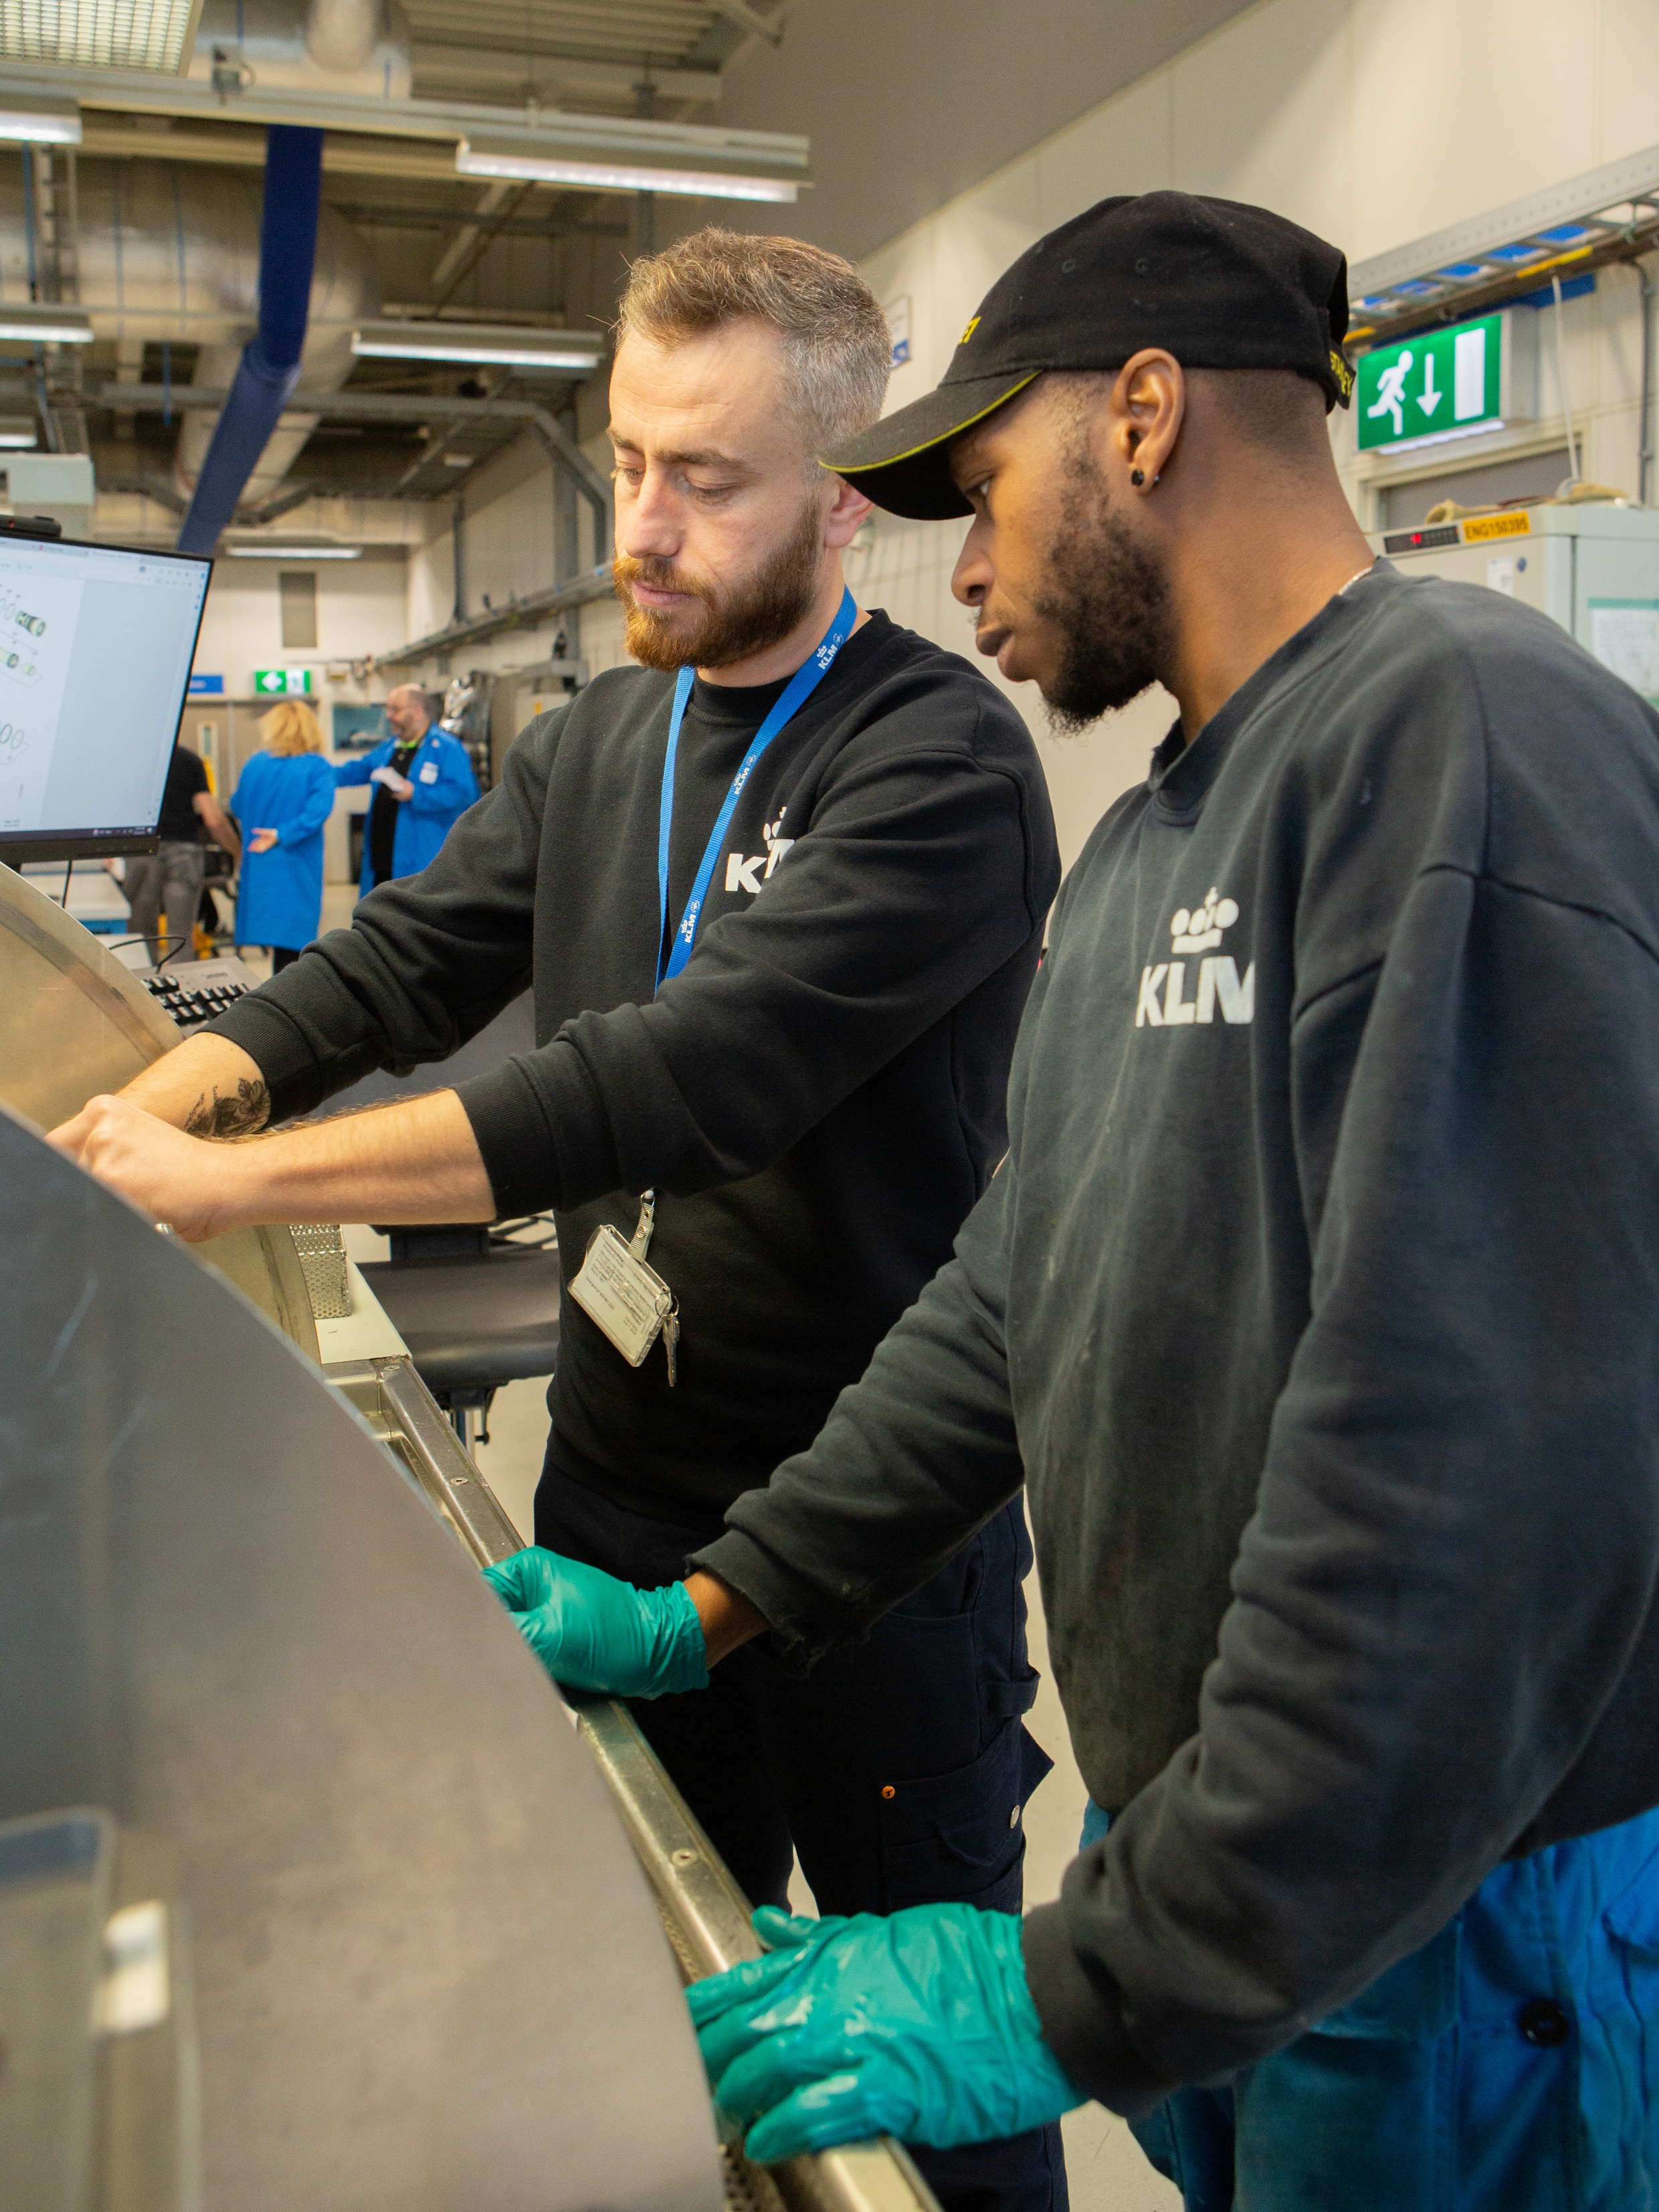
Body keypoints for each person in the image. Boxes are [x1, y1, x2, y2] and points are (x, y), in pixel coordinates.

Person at [433, 195, 1659, 2209]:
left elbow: (1461, 1487)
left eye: (985, 489)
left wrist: (1100, 1973)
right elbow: (1013, 1299)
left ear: (1145, 418)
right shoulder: (1160, 827)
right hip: (1235, 1867)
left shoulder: (1456, 746)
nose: (966, 564)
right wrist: (712, 1602)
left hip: (1451, 1900)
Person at [49, 229, 1068, 2212]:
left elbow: (685, 1076)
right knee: (641, 1993)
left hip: (860, 1559)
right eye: (628, 463)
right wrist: (123, 1128)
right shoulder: (595, 739)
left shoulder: (935, 766)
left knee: (916, 2100)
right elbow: (389, 973)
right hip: (615, 1511)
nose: (647, 527)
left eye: (709, 477)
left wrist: (235, 1187)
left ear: (842, 496)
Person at [334, 683, 479, 897]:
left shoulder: (447, 748)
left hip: (419, 862)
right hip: (382, 861)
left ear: (418, 711)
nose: (389, 716)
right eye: (388, 709)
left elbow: (465, 794)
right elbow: (357, 771)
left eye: (395, 709)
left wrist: (417, 795)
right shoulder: (391, 747)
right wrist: (312, 774)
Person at [231, 700, 338, 972]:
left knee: (277, 944)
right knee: (294, 948)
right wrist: (281, 834)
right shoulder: (317, 767)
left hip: (260, 863)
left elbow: (238, 806)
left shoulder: (254, 763)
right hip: (296, 865)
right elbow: (316, 814)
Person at [116, 739, 240, 965]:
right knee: (181, 935)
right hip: (184, 853)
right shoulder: (190, 760)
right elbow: (212, 819)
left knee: (142, 935)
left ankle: (144, 991)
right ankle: (182, 992)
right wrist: (236, 851)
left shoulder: (132, 761)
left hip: (142, 851)